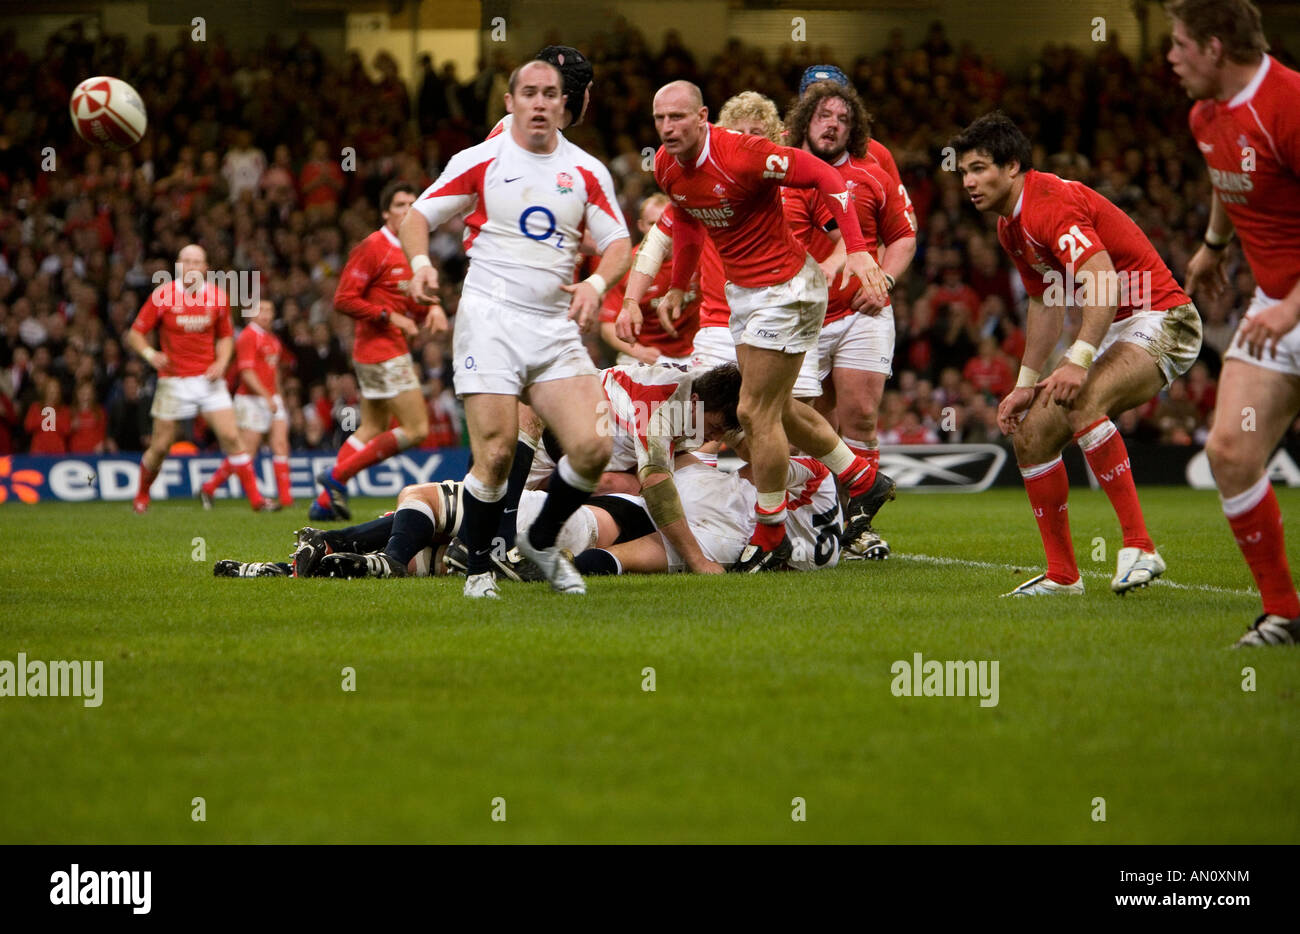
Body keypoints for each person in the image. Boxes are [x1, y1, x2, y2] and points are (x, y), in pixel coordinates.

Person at [628, 80, 892, 572]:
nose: (667, 128)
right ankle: (858, 476)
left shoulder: (744, 155)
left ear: (703, 116)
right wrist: (678, 285)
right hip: (743, 295)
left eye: (678, 118)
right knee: (775, 408)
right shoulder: (667, 165)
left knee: (752, 412)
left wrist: (857, 249)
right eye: (660, 119)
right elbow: (685, 220)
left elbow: (828, 178)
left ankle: (771, 536)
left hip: (788, 291)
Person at [400, 59, 632, 599]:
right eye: (528, 92)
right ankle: (478, 568)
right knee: (498, 454)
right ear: (510, 102)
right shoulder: (479, 160)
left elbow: (618, 242)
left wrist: (596, 286)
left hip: (552, 326)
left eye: (549, 94)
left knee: (594, 448)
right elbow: (418, 217)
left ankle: (541, 540)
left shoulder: (587, 172)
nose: (539, 102)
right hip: (489, 320)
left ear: (562, 104)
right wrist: (418, 265)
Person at [951, 112, 1202, 595]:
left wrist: (1079, 358)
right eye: (963, 172)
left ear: (1012, 167)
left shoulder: (1049, 204)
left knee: (1082, 396)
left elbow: (1102, 279)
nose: (968, 182)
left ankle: (1140, 545)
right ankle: (1064, 576)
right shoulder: (1010, 226)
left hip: (1162, 317)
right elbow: (1047, 303)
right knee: (1029, 438)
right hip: (1113, 326)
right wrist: (1024, 388)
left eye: (979, 168)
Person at [1166, 0, 1300, 645]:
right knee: (1229, 450)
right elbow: (1229, 173)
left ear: (1215, 47)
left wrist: (1294, 307)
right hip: (1273, 308)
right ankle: (1285, 613)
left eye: (1180, 45)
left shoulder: (1290, 104)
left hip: (1290, 306)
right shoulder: (1205, 115)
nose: (1170, 58)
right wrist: (1215, 245)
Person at [783, 79, 918, 559]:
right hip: (801, 317)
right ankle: (802, 524)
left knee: (860, 416)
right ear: (804, 121)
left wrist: (885, 281)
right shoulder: (781, 171)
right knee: (803, 420)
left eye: (843, 119)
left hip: (863, 312)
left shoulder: (873, 174)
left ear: (854, 127)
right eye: (823, 116)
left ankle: (852, 526)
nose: (833, 125)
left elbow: (903, 236)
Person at [310, 181, 431, 521]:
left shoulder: (413, 250)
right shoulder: (374, 246)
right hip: (382, 350)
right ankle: (337, 477)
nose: (408, 209)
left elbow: (412, 302)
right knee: (417, 429)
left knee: (371, 427)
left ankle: (323, 503)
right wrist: (390, 316)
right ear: (385, 212)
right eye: (400, 204)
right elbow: (343, 299)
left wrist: (429, 309)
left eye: (412, 203)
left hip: (380, 350)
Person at [125, 244, 272, 513]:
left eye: (197, 262)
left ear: (205, 268)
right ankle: (141, 496)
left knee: (231, 435)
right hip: (173, 380)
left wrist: (221, 362)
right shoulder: (163, 296)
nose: (192, 267)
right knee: (160, 447)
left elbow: (226, 336)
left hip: (208, 380)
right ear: (178, 266)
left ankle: (256, 501)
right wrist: (149, 354)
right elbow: (135, 333)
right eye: (187, 261)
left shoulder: (217, 297)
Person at [200, 298, 292, 508]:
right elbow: (247, 373)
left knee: (281, 445)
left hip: (271, 397)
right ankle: (210, 487)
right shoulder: (248, 337)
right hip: (251, 399)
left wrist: (279, 396)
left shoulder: (272, 339)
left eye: (269, 309)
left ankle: (287, 499)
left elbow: (274, 371)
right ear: (251, 314)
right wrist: (267, 397)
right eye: (262, 310)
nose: (266, 314)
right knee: (247, 451)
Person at [598, 193, 700, 366]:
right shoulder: (626, 265)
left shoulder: (699, 255)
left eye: (668, 222)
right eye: (653, 224)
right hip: (645, 353)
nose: (663, 229)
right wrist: (640, 352)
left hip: (695, 350)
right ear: (641, 226)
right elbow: (607, 326)